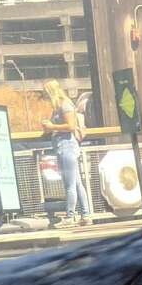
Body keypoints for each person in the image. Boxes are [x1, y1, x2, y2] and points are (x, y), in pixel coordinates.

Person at [42, 83, 90, 226]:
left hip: (67, 146)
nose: (44, 96)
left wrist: (52, 127)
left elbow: (71, 126)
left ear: (51, 92)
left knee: (69, 184)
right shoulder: (58, 107)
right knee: (76, 183)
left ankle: (70, 216)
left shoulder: (65, 105)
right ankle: (85, 215)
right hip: (63, 145)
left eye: (45, 93)